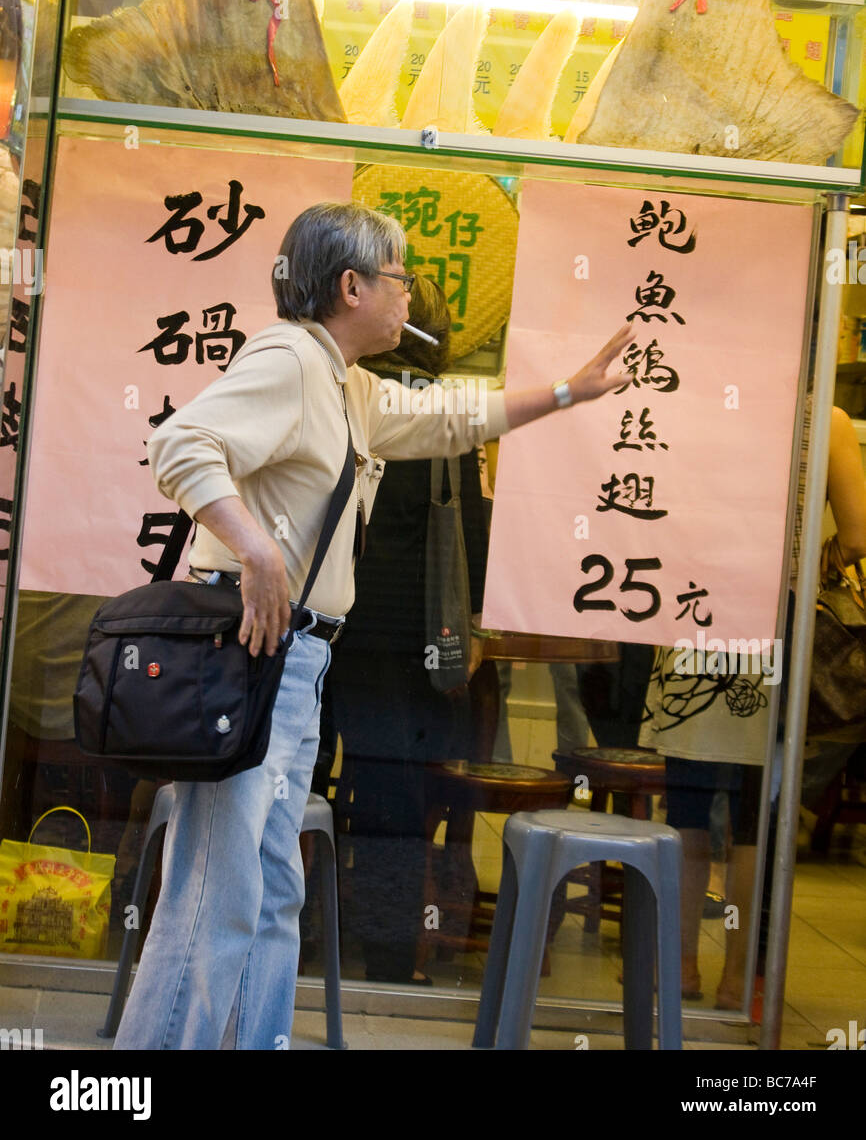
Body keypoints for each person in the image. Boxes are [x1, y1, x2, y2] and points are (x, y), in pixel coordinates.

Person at [113, 199, 632, 1050]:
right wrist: (256, 551)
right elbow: (180, 445)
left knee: (274, 883)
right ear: (350, 287)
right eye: (399, 276)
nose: (409, 294)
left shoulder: (345, 383)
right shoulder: (288, 360)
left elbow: (455, 418)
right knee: (219, 887)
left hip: (295, 663)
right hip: (250, 655)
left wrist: (573, 389)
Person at [643, 398, 866, 1011]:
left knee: (686, 800)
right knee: (755, 813)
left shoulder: (706, 399)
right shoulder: (830, 420)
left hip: (693, 610)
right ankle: (739, 976)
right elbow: (858, 533)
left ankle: (678, 965)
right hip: (776, 622)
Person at [327, 276, 486, 984]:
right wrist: (471, 628)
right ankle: (389, 957)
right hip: (404, 639)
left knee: (289, 785)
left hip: (315, 625)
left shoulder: (336, 393)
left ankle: (294, 933)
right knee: (392, 799)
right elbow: (471, 537)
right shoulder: (442, 416)